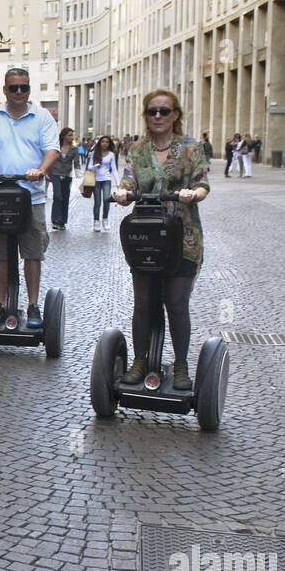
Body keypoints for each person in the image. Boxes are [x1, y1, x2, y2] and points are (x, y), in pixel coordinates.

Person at [112, 89, 210, 391]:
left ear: (175, 115)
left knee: (176, 302)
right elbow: (128, 181)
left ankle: (180, 365)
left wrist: (193, 194)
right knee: (143, 303)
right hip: (146, 237)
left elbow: (203, 184)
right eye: (152, 111)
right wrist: (121, 193)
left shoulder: (192, 148)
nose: (157, 117)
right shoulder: (137, 150)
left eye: (164, 111)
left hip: (183, 238)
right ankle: (140, 360)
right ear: (145, 116)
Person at [0, 66, 59, 329]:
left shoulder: (42, 117)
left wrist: (41, 170)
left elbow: (52, 149)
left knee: (32, 252)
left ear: (29, 88)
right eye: (14, 88)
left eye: (24, 87)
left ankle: (32, 305)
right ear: (5, 89)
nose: (19, 92)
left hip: (31, 197)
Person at [49, 127, 78, 230]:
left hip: (67, 175)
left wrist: (81, 176)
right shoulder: (56, 147)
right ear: (63, 136)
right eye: (69, 135)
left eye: (72, 135)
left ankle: (62, 221)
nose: (71, 137)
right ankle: (55, 220)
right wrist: (47, 172)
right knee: (57, 196)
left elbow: (77, 163)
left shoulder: (74, 149)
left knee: (65, 198)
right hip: (55, 174)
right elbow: (50, 159)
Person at [89, 135, 118, 231]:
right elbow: (89, 167)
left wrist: (118, 183)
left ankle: (105, 219)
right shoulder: (94, 153)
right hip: (96, 180)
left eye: (107, 142)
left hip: (106, 179)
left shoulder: (111, 155)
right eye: (103, 142)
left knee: (106, 199)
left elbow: (114, 169)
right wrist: (95, 167)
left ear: (109, 144)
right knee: (97, 202)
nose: (104, 144)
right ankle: (96, 221)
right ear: (99, 143)